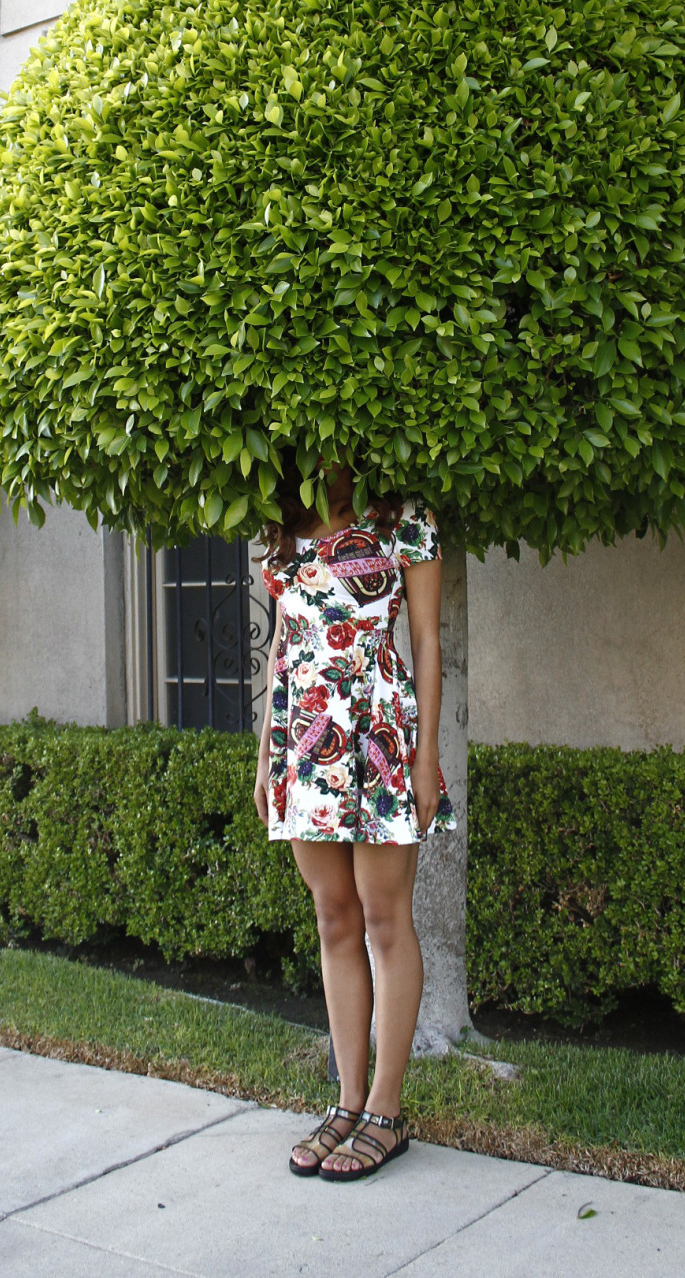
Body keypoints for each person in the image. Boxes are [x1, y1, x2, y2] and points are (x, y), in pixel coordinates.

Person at [254, 464, 455, 1181]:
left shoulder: (404, 516)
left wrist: (428, 752)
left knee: (383, 920)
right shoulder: (280, 525)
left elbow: (427, 640)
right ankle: (345, 1102)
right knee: (334, 918)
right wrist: (266, 757)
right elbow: (281, 646)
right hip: (307, 742)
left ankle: (386, 1112)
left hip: (381, 736)